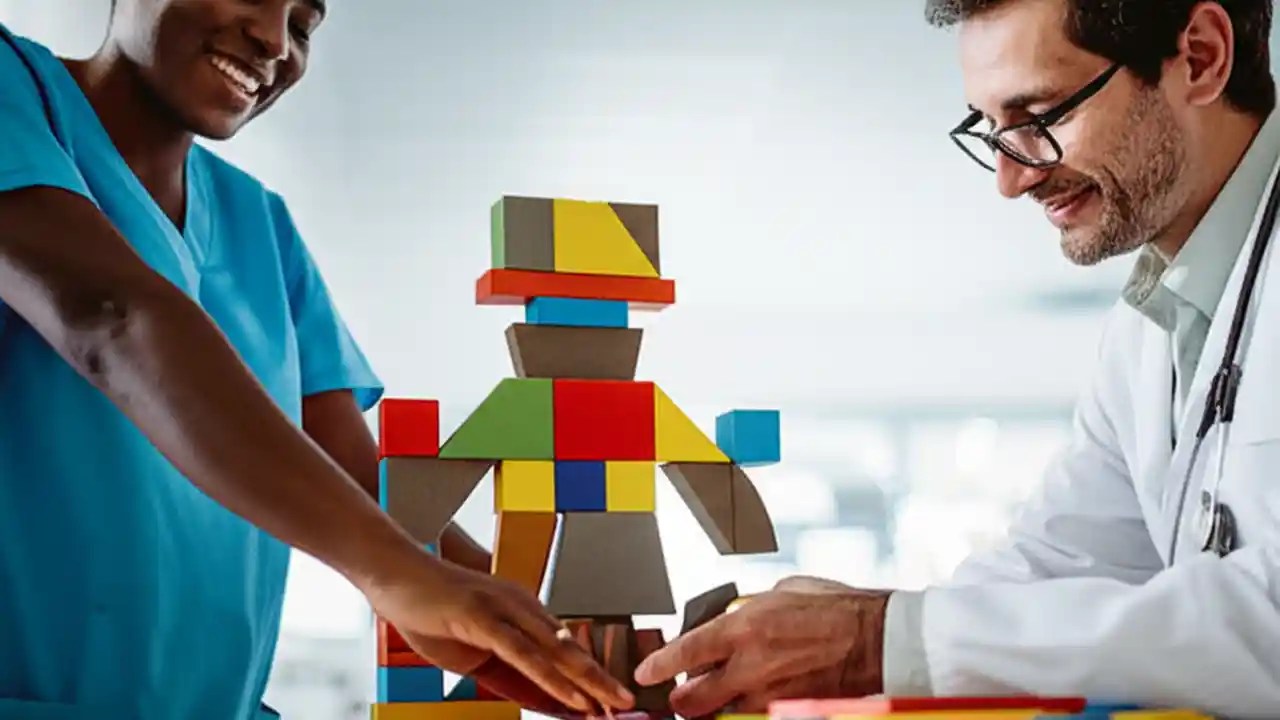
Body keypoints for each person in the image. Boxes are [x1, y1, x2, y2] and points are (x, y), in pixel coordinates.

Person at [634, 0, 1280, 718]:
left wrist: (881, 638)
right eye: (994, 129)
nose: (1011, 179)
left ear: (1200, 57)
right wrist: (844, 624)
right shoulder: (1144, 332)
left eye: (1042, 117)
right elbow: (1054, 568)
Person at [0, 2, 635, 718]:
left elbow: (361, 481)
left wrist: (557, 644)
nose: (275, 42)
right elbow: (108, 313)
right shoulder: (13, 89)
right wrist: (394, 573)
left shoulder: (258, 224)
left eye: (303, 25)